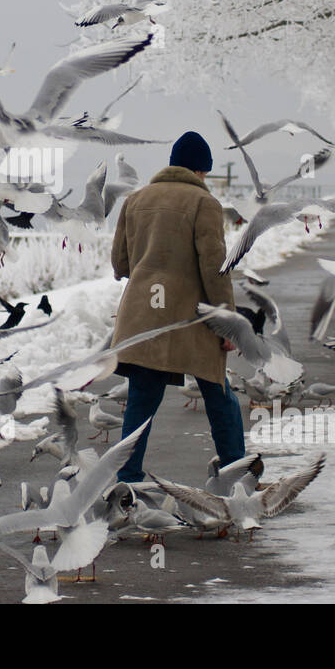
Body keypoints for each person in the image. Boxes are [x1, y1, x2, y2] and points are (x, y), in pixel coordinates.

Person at [110, 130, 243, 484]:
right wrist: (227, 321)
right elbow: (214, 268)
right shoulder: (204, 204)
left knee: (140, 403)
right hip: (190, 319)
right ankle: (236, 473)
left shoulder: (135, 200)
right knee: (219, 397)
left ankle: (127, 479)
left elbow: (120, 264)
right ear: (201, 171)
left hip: (142, 315)